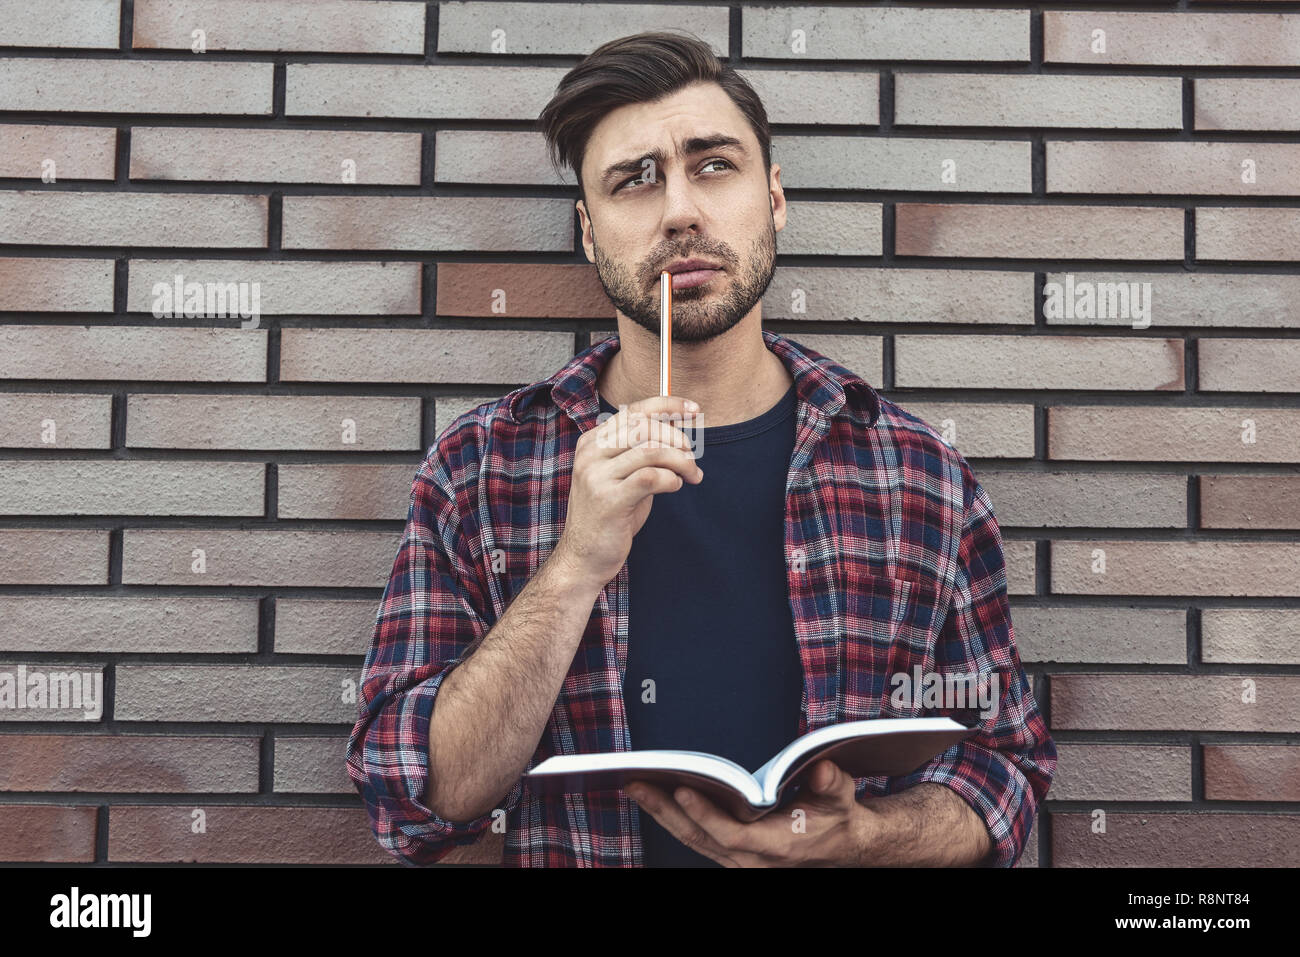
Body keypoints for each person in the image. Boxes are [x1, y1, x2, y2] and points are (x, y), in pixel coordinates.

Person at [346, 30, 1055, 867]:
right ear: (587, 231)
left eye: (713, 164)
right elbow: (414, 797)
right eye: (635, 179)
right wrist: (575, 564)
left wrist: (871, 839)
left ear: (775, 198)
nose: (680, 209)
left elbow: (1006, 766)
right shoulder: (479, 470)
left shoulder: (915, 471)